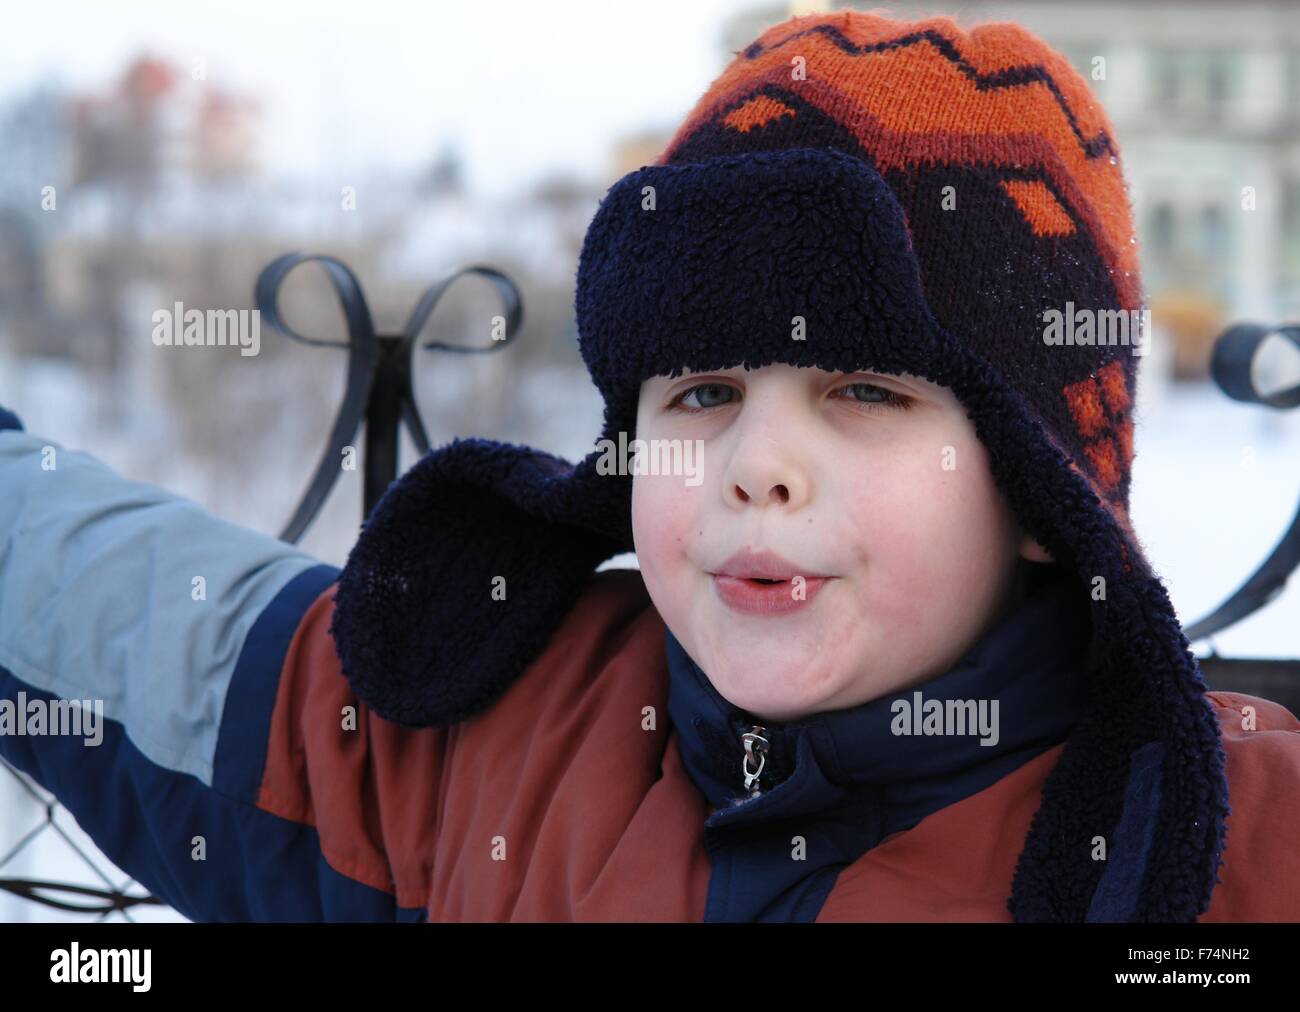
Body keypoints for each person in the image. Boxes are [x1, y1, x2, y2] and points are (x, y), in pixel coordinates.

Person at [1, 9, 1297, 922]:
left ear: (1042, 489)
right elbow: (143, 621)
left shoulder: (1229, 851)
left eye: (863, 389)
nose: (756, 464)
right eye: (705, 392)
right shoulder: (478, 732)